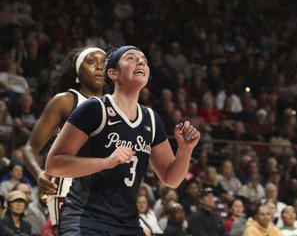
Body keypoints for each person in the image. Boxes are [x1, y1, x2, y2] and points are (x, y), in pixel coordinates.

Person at [45, 45, 200, 235]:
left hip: (126, 222)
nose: (141, 61)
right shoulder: (94, 109)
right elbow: (54, 164)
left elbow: (171, 179)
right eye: (131, 58)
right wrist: (105, 162)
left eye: (144, 59)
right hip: (86, 217)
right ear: (113, 73)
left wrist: (185, 150)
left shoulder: (151, 119)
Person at [21, 47, 106, 229]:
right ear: (78, 72)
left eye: (104, 63)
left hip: (104, 190)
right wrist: (39, 174)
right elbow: (30, 147)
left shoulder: (115, 105)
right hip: (69, 187)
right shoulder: (65, 101)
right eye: (91, 62)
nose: (100, 67)